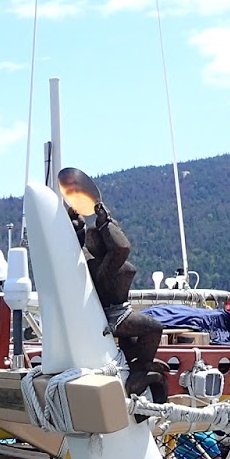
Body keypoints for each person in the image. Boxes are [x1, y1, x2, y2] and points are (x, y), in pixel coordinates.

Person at [55, 168, 164, 400]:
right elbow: (122, 247)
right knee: (155, 328)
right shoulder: (106, 266)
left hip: (115, 313)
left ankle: (136, 369)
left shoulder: (90, 262)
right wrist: (104, 223)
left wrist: (78, 225)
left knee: (132, 342)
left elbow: (78, 247)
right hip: (116, 316)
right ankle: (141, 370)